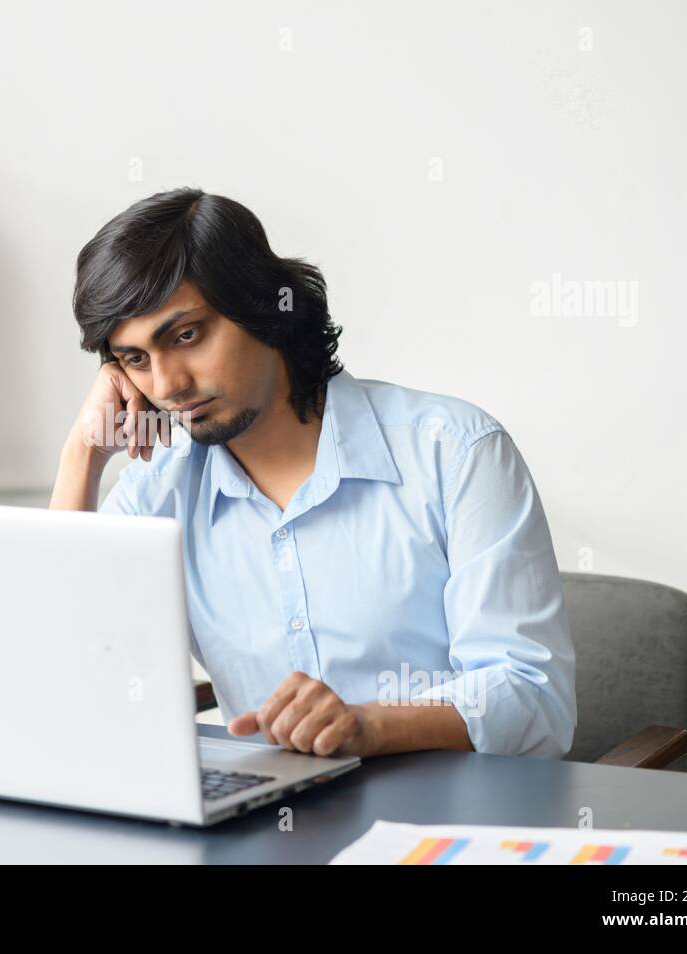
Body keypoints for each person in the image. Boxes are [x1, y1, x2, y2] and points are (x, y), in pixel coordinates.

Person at [50, 187, 576, 760]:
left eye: (186, 336)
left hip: (445, 824)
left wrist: (369, 726)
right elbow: (68, 672)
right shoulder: (160, 490)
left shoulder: (455, 452)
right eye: (135, 359)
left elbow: (534, 698)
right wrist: (82, 455)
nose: (167, 384)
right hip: (262, 833)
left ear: (262, 308)